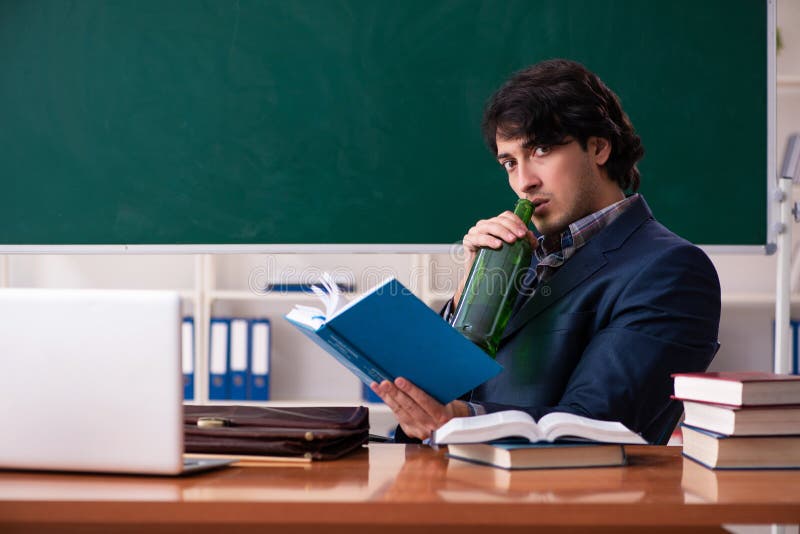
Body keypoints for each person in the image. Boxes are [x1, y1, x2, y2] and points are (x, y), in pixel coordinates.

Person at [371, 58, 721, 445]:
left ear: (599, 147)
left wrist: (462, 420)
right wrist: (466, 295)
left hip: (567, 500)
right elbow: (439, 394)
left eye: (541, 150)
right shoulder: (514, 257)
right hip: (457, 488)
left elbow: (597, 424)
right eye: (509, 162)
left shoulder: (672, 270)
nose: (524, 182)